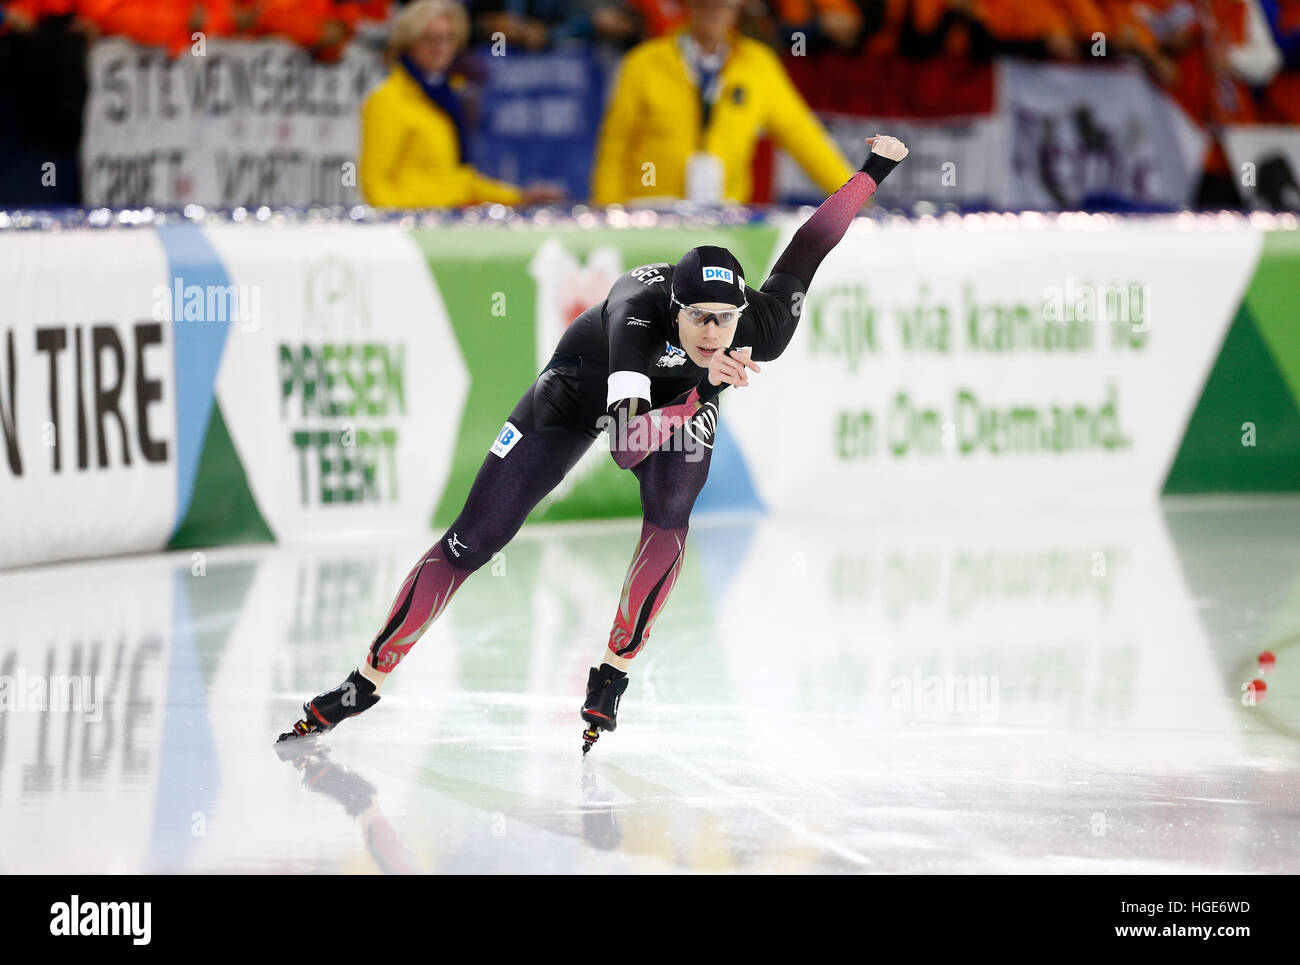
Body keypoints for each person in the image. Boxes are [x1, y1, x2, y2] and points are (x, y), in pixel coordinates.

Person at [279, 134, 909, 753]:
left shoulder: (761, 325)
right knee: (476, 537)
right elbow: (625, 448)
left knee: (670, 517)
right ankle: (368, 679)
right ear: (675, 308)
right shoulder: (637, 312)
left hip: (679, 406)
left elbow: (810, 244)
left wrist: (871, 171)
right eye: (701, 320)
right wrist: (697, 386)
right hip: (577, 395)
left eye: (727, 319)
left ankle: (613, 671)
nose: (716, 333)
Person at [590, 0, 856, 205]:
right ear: (689, 5)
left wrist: (855, 194)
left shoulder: (757, 65)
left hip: (724, 218)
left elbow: (805, 138)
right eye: (705, 3)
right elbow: (616, 145)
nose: (714, 11)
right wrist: (607, 213)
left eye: (723, 4)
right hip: (652, 213)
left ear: (736, 8)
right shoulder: (643, 63)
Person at [360, 0, 564, 208]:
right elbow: (375, 181)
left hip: (444, 223)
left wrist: (519, 197)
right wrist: (400, 225)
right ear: (409, 41)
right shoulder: (388, 99)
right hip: (415, 228)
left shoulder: (447, 95)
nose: (439, 46)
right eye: (429, 37)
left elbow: (459, 180)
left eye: (448, 37)